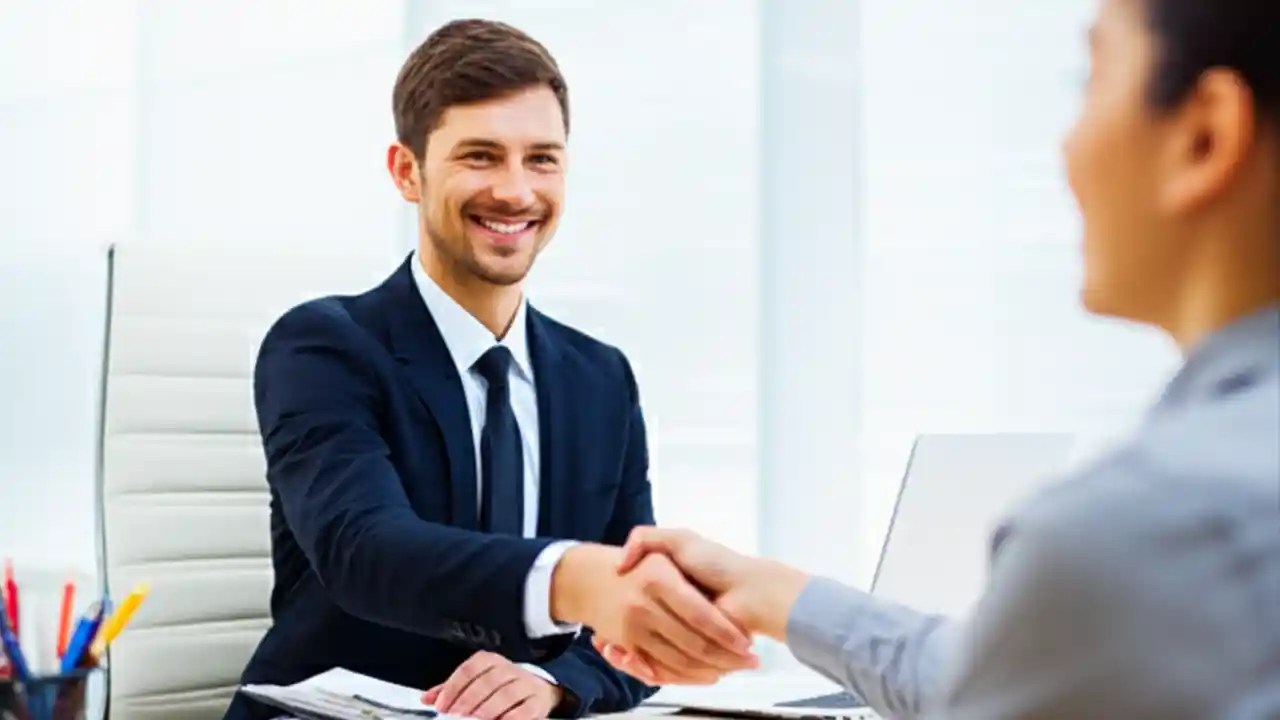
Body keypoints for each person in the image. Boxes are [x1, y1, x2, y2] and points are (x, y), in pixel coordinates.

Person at [599, 0, 1280, 717]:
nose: (1066, 148)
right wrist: (779, 596)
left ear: (1205, 136)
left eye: (1090, 79)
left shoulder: (1144, 530)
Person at [225, 19, 757, 720]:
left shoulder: (600, 379)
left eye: (542, 159)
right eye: (481, 156)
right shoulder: (324, 346)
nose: (515, 191)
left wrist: (555, 681)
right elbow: (366, 551)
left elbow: (624, 632)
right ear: (407, 172)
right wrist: (573, 580)